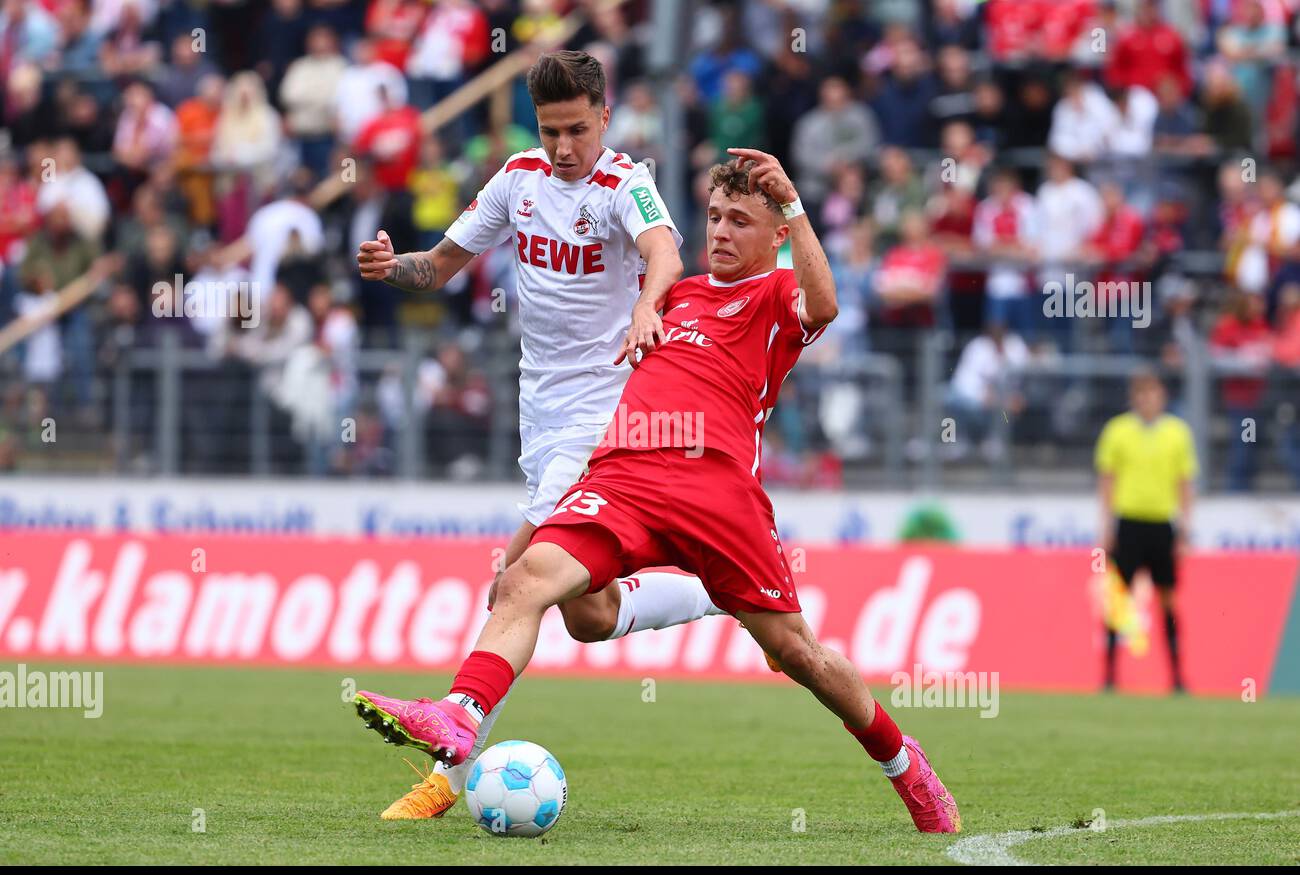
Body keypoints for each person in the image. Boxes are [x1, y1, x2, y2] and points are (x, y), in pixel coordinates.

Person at [352, 151, 962, 835]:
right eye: (714, 217)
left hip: (717, 494)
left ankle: (904, 763)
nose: (721, 232)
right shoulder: (674, 293)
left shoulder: (773, 300)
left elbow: (825, 304)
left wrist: (793, 200)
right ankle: (459, 715)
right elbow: (612, 249)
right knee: (530, 586)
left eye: (740, 220)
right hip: (625, 477)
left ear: (776, 234)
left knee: (801, 655)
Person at [355, 51, 730, 820]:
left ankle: (444, 774)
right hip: (544, 419)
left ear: (604, 115)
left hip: (607, 418)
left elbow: (666, 250)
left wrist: (647, 307)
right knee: (585, 616)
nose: (564, 146)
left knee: (510, 583)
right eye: (551, 130)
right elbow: (444, 264)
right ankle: (715, 590)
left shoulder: (626, 182)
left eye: (577, 129)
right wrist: (394, 267)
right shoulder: (518, 179)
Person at [1095, 368, 1198, 693]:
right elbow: (1107, 481)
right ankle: (1110, 676)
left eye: (1152, 393)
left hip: (1161, 525)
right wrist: (1107, 526)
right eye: (1141, 394)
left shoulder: (1177, 433)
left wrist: (1184, 529)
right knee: (1118, 599)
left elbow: (1185, 483)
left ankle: (1177, 677)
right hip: (1129, 524)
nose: (1147, 400)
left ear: (1162, 397)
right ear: (1133, 398)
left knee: (1167, 599)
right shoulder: (1117, 431)